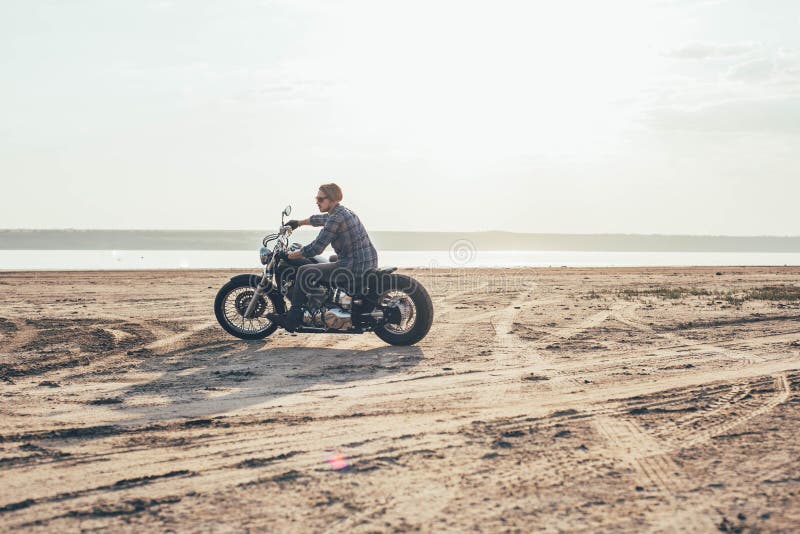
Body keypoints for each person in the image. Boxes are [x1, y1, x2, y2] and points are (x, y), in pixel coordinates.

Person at [267, 183, 378, 332]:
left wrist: (288, 255)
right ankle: (328, 299)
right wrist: (297, 223)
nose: (317, 202)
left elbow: (316, 248)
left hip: (354, 265)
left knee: (304, 271)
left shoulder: (336, 218)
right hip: (366, 261)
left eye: (320, 199)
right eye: (316, 198)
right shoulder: (342, 212)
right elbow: (320, 219)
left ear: (332, 199)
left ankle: (293, 318)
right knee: (331, 260)